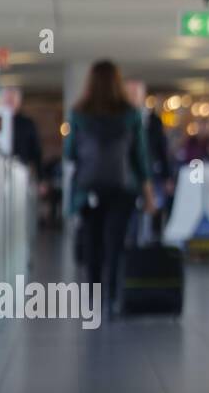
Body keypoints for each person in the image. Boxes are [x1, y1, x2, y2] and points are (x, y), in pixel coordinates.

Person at [64, 61, 155, 311]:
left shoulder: (79, 113)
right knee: (115, 243)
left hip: (89, 188)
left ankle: (93, 295)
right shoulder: (131, 114)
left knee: (93, 243)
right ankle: (113, 295)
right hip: (122, 188)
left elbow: (70, 153)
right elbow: (140, 158)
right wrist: (148, 194)